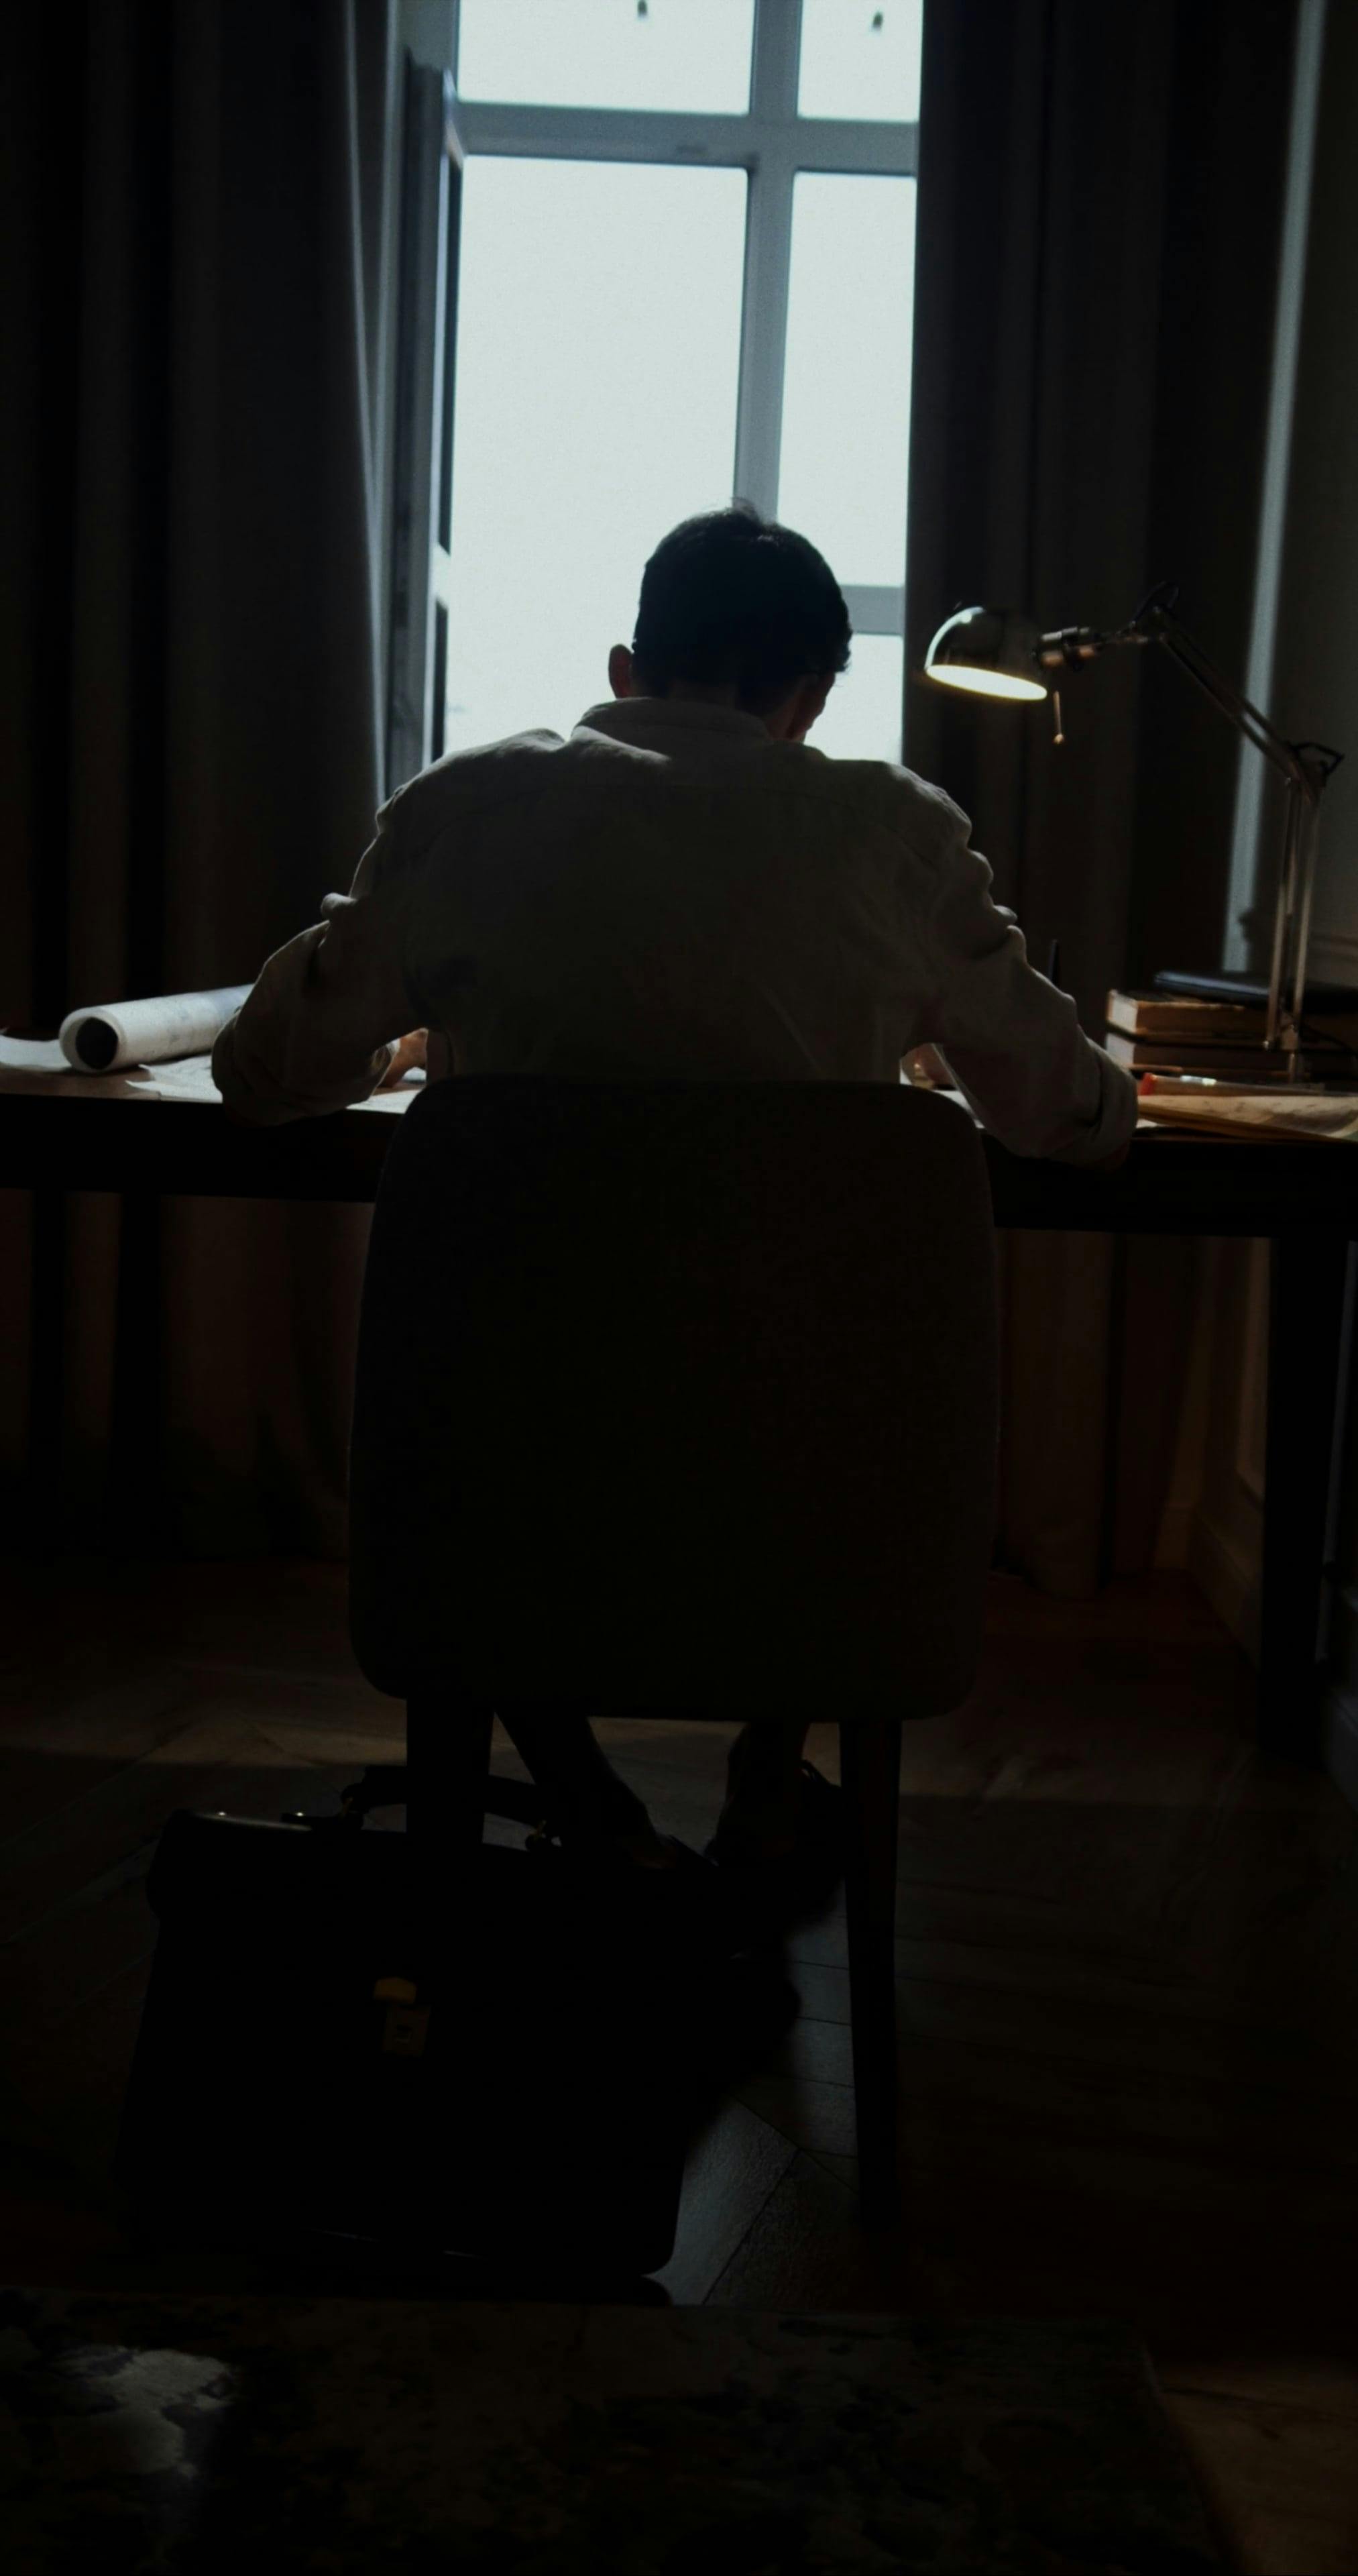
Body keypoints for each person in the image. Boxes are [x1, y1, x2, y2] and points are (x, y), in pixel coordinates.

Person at [214, 502, 1138, 1884]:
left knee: (515, 1398)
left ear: (622, 670)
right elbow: (1066, 1114)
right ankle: (768, 1772)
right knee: (802, 1362)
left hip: (512, 1488)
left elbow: (262, 1071)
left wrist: (423, 1031)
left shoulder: (466, 806)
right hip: (799, 1496)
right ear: (812, 696)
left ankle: (580, 1788)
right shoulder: (889, 834)